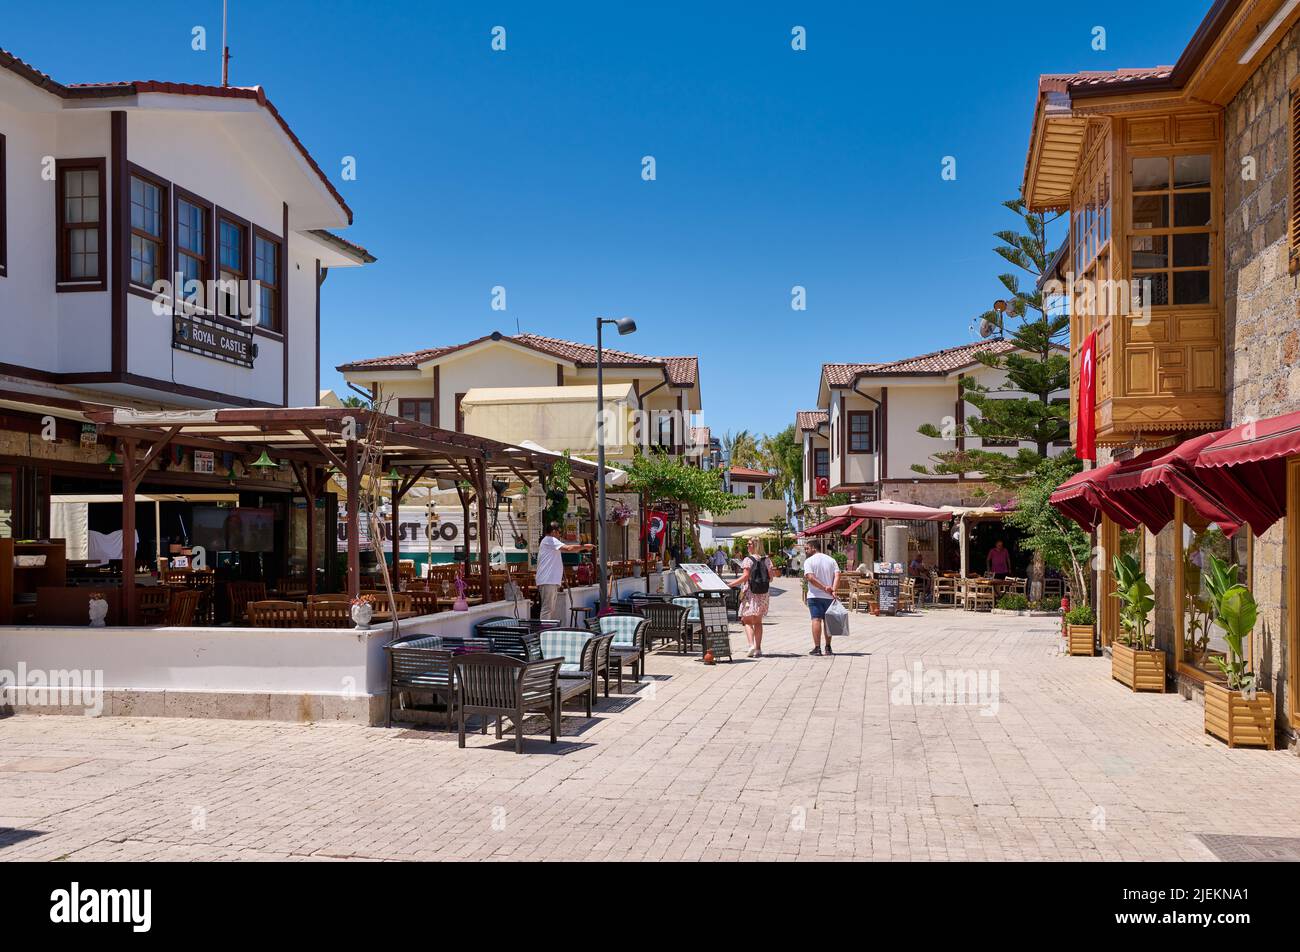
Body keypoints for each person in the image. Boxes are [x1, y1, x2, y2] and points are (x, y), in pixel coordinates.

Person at [536, 523, 593, 621]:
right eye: (559, 532)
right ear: (554, 531)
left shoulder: (549, 542)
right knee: (547, 609)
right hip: (548, 580)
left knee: (550, 609)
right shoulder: (550, 540)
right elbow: (568, 548)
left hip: (550, 581)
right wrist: (585, 547)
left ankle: (547, 630)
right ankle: (544, 632)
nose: (560, 535)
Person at [728, 539, 772, 658]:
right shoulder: (767, 559)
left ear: (755, 546)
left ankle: (751, 645)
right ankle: (758, 649)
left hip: (750, 593)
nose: (747, 546)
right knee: (758, 621)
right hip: (763, 593)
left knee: (746, 620)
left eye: (749, 544)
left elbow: (745, 576)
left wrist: (731, 584)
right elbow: (771, 578)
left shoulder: (748, 560)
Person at [802, 540, 840, 656]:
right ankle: (828, 648)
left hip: (815, 595)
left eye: (807, 548)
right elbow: (838, 575)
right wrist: (832, 590)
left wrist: (824, 588)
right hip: (829, 597)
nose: (805, 550)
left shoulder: (809, 561)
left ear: (813, 547)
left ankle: (817, 648)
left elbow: (810, 577)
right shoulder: (831, 560)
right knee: (828, 621)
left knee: (816, 619)